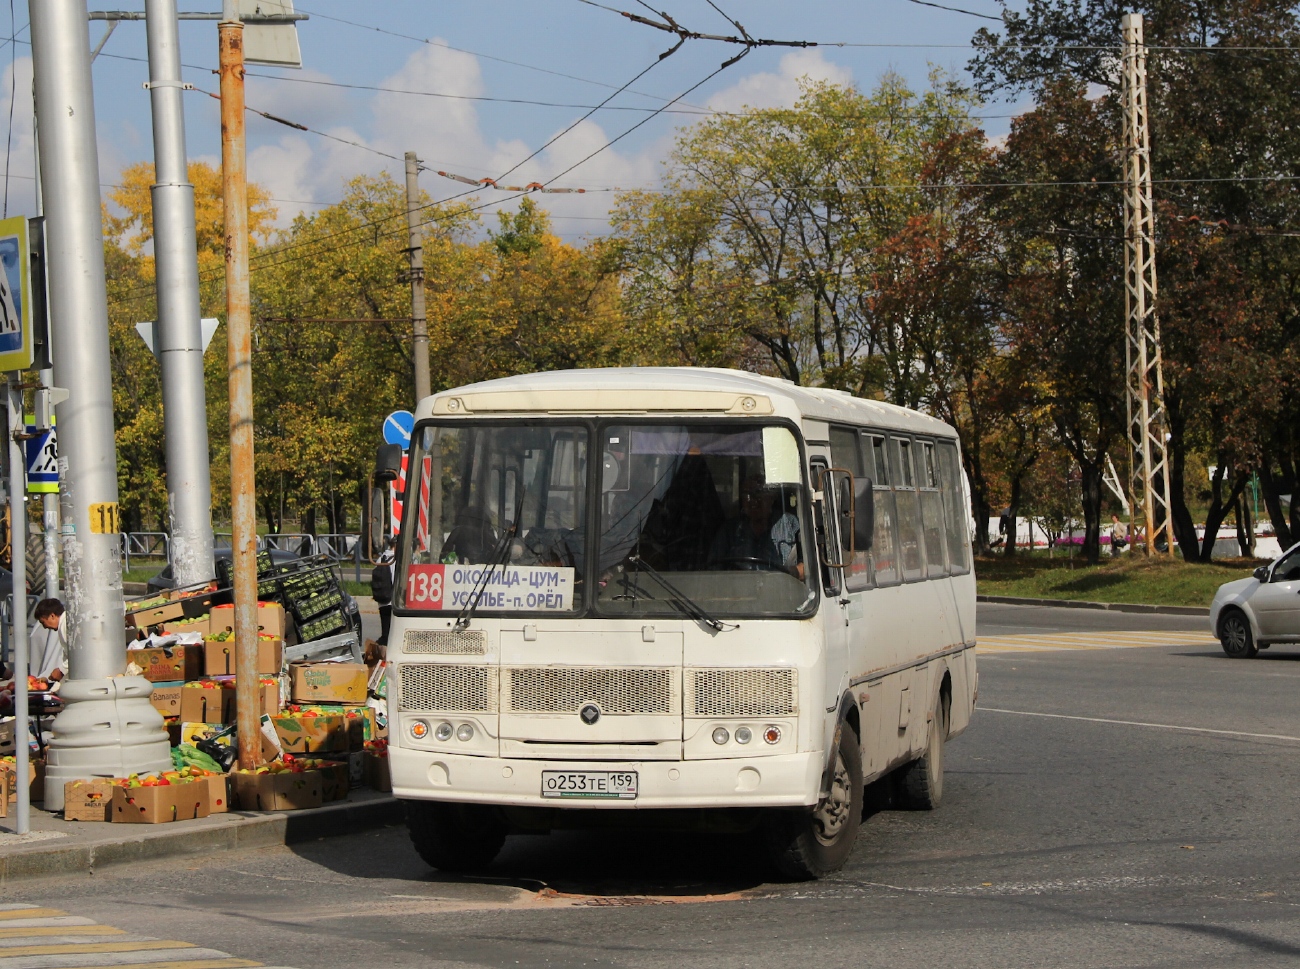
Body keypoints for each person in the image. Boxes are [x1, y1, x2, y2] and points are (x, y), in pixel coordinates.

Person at [710, 477, 804, 579]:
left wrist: (793, 573)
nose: (752, 500)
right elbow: (712, 571)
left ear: (772, 496)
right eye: (746, 494)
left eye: (758, 492)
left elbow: (809, 566)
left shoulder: (790, 524)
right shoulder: (729, 531)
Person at [30, 598, 68, 683]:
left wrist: (61, 670)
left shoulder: (65, 625)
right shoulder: (65, 623)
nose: (45, 627)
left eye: (43, 622)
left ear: (52, 616)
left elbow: (75, 654)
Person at [371, 540, 395, 647]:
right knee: (392, 635)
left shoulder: (381, 558)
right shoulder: (395, 560)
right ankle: (378, 654)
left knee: (385, 633)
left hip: (382, 600)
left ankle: (379, 652)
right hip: (393, 602)